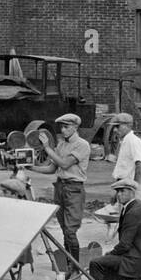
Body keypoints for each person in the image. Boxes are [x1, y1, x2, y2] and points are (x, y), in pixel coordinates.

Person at [29, 112, 90, 269]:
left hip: (74, 189)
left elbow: (64, 164)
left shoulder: (82, 145)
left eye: (66, 127)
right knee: (64, 229)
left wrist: (47, 147)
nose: (63, 130)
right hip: (60, 187)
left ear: (75, 127)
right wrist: (30, 167)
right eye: (61, 127)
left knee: (70, 231)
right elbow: (51, 168)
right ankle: (69, 264)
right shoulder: (62, 145)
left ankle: (76, 267)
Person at [86, 178, 141, 280]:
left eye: (123, 191)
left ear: (132, 192)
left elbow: (124, 245)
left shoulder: (133, 212)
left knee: (95, 263)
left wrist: (111, 253)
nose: (119, 195)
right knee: (105, 260)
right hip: (138, 255)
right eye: (118, 191)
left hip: (136, 259)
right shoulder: (131, 207)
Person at [110, 113, 141, 188]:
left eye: (117, 126)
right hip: (122, 182)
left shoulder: (133, 140)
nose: (115, 130)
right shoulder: (124, 140)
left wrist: (135, 185)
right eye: (114, 127)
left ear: (127, 126)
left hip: (128, 183)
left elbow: (140, 165)